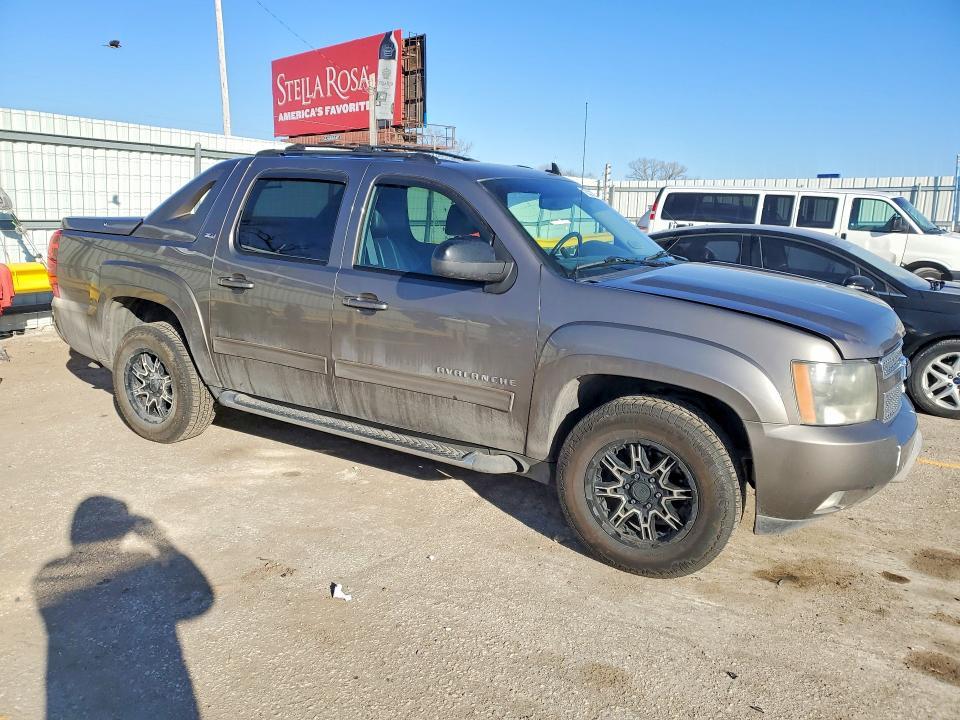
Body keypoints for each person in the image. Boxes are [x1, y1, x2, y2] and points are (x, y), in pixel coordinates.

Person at [34, 496, 213, 719]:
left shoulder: (48, 574)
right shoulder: (142, 566)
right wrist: (161, 542)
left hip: (83, 700)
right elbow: (200, 600)